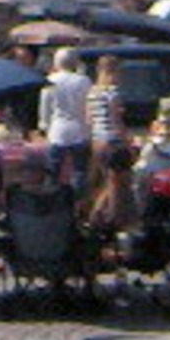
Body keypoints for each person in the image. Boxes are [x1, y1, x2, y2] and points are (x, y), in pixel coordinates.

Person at [83, 54, 136, 235]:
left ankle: (94, 216)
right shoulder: (112, 92)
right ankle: (110, 218)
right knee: (116, 182)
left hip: (97, 141)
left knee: (104, 180)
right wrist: (128, 142)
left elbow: (89, 120)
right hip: (112, 140)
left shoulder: (92, 93)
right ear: (114, 71)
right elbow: (116, 121)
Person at [37, 48, 92, 189]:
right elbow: (89, 107)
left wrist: (44, 126)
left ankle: (52, 201)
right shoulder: (84, 81)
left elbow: (45, 109)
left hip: (57, 130)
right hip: (80, 130)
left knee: (53, 171)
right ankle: (77, 202)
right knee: (80, 170)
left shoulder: (49, 81)